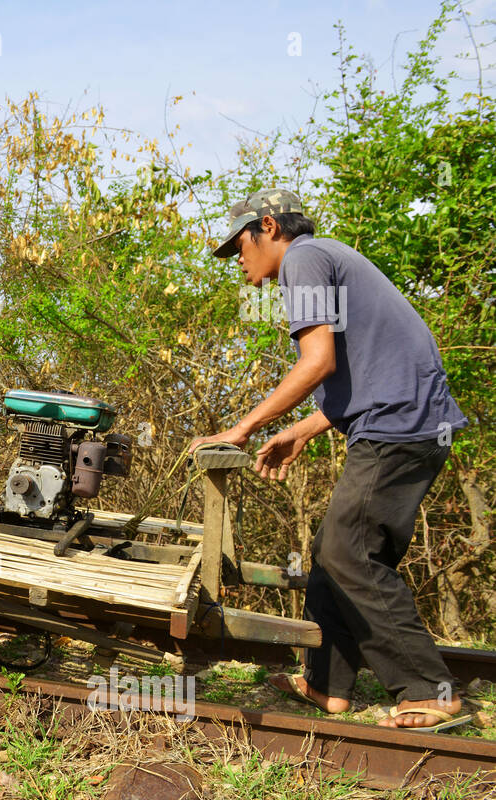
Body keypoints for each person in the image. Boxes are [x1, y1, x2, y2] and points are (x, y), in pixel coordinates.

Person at [190, 188, 470, 730]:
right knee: (334, 548)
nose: (240, 261)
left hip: (400, 426)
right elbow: (365, 371)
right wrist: (305, 428)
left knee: (350, 553)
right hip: (404, 421)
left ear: (267, 227)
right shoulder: (328, 257)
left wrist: (245, 427)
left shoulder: (304, 258)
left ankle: (429, 692)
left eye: (240, 247)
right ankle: (327, 684)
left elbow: (317, 361)